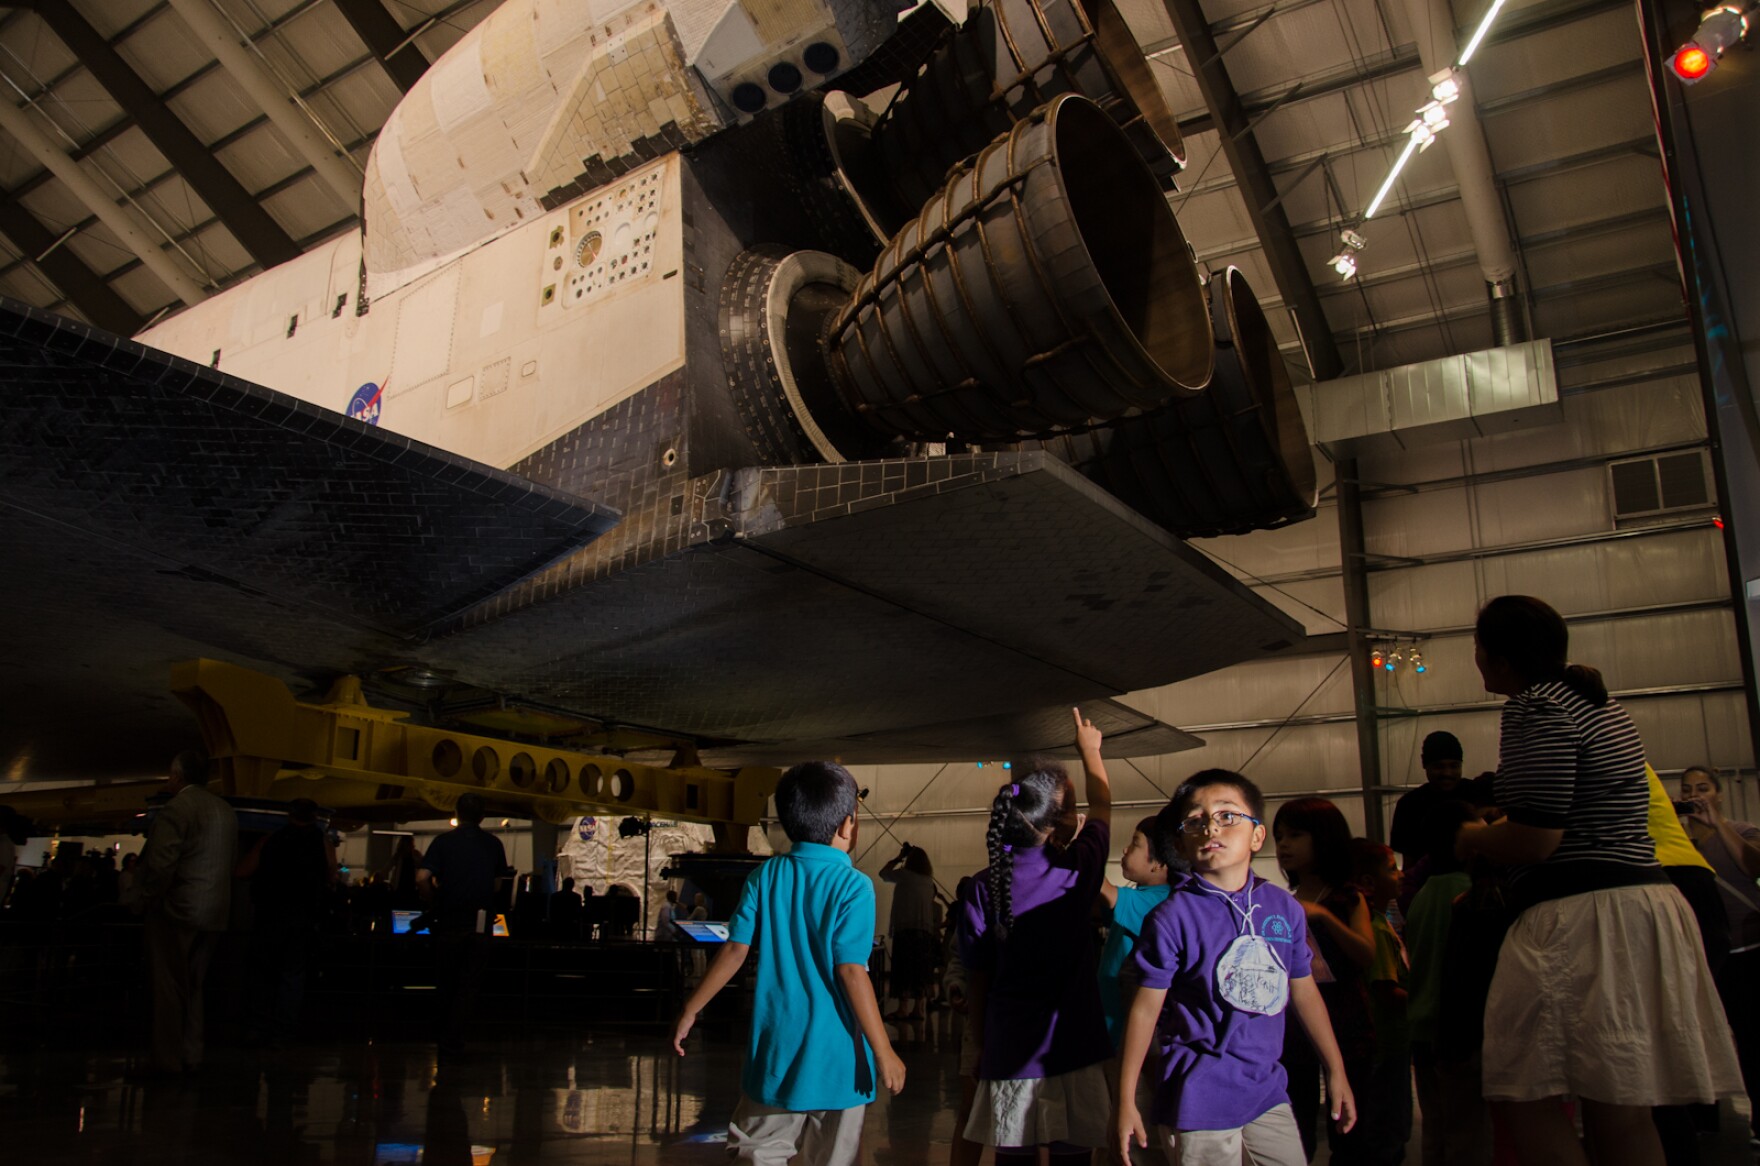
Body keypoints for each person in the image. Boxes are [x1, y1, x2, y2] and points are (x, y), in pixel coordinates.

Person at [1456, 595, 1742, 1166]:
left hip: (1582, 915)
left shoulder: (1534, 707)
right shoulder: (1598, 702)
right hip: (1642, 905)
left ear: (1501, 659)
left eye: (1480, 648)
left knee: (1525, 1090)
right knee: (1621, 1103)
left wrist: (1473, 836)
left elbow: (1538, 838)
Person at [1115, 769, 1357, 1166]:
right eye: (1195, 820)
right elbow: (1145, 1010)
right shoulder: (1171, 917)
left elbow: (1304, 990)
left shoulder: (1285, 909)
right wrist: (1125, 1101)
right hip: (1196, 1094)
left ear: (1257, 836)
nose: (1211, 825)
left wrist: (1335, 1068)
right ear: (1180, 843)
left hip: (1267, 1090)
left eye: (1227, 815)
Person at [673, 760, 905, 1165]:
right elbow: (851, 970)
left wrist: (691, 1009)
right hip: (838, 1061)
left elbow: (734, 949)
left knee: (758, 1153)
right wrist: (883, 1049)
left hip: (775, 1055)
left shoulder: (765, 876)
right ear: (848, 825)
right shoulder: (854, 886)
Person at [958, 708, 1113, 1163]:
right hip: (1075, 1045)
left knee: (1014, 1157)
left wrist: (982, 1045)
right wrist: (1091, 754)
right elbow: (1103, 808)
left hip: (1010, 1051)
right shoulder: (1077, 873)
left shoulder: (980, 887)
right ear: (1059, 822)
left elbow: (979, 978)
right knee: (1073, 1156)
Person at [1274, 797, 1376, 1163]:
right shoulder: (1283, 903)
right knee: (1295, 1125)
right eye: (1279, 836)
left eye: (1295, 835)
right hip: (1295, 1027)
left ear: (1325, 839)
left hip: (1347, 1021)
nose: (1283, 845)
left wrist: (1324, 917)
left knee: (1349, 1125)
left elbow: (1367, 954)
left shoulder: (1348, 899)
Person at [130, 749, 239, 1075]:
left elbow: (162, 865)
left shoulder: (178, 808)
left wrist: (146, 898)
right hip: (215, 912)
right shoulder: (225, 811)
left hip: (178, 911)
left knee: (168, 988)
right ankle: (193, 1052)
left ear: (177, 777)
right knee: (194, 985)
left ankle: (167, 1060)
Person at [1404, 800, 1492, 1166]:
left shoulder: (1422, 895)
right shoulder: (1469, 894)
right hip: (1456, 1032)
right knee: (1467, 1136)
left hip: (1421, 1030)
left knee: (1436, 1133)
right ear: (1463, 842)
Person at [1678, 765, 1760, 1145]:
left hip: (1748, 955)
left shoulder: (1741, 831)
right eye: (1688, 789)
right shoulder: (1679, 844)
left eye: (1704, 788)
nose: (1696, 794)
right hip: (1704, 961)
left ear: (1719, 793)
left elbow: (1752, 865)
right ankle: (1703, 1125)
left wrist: (1718, 823)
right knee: (1701, 1042)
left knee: (1752, 1039)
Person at [238, 797, 336, 1045]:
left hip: (269, 917)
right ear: (315, 817)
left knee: (261, 974)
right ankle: (284, 1031)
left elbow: (242, 871)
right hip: (302, 919)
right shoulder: (321, 843)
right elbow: (331, 877)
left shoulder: (271, 840)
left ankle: (257, 1027)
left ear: (289, 815)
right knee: (292, 977)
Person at [417, 793, 509, 1052]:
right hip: (479, 922)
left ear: (456, 813)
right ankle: (455, 1036)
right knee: (469, 983)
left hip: (448, 920)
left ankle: (440, 1031)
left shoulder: (443, 842)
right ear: (482, 815)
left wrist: (433, 900)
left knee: (445, 979)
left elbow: (422, 877)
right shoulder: (493, 845)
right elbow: (498, 884)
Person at [1351, 839, 1412, 1166]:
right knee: (1389, 1130)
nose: (1400, 874)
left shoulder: (1375, 923)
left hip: (1384, 1047)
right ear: (1368, 883)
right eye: (1392, 868)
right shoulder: (1375, 927)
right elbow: (1387, 991)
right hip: (1388, 1047)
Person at [880, 843, 938, 1021]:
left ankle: (903, 1008)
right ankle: (919, 1009)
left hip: (905, 930)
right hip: (925, 932)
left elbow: (883, 873)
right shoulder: (928, 881)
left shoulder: (904, 876)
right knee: (921, 970)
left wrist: (899, 858)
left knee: (903, 969)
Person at [1389, 732, 1467, 859]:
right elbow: (1409, 860)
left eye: (1454, 766)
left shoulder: (1476, 792)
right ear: (1425, 765)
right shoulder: (1410, 805)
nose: (1447, 773)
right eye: (1439, 766)